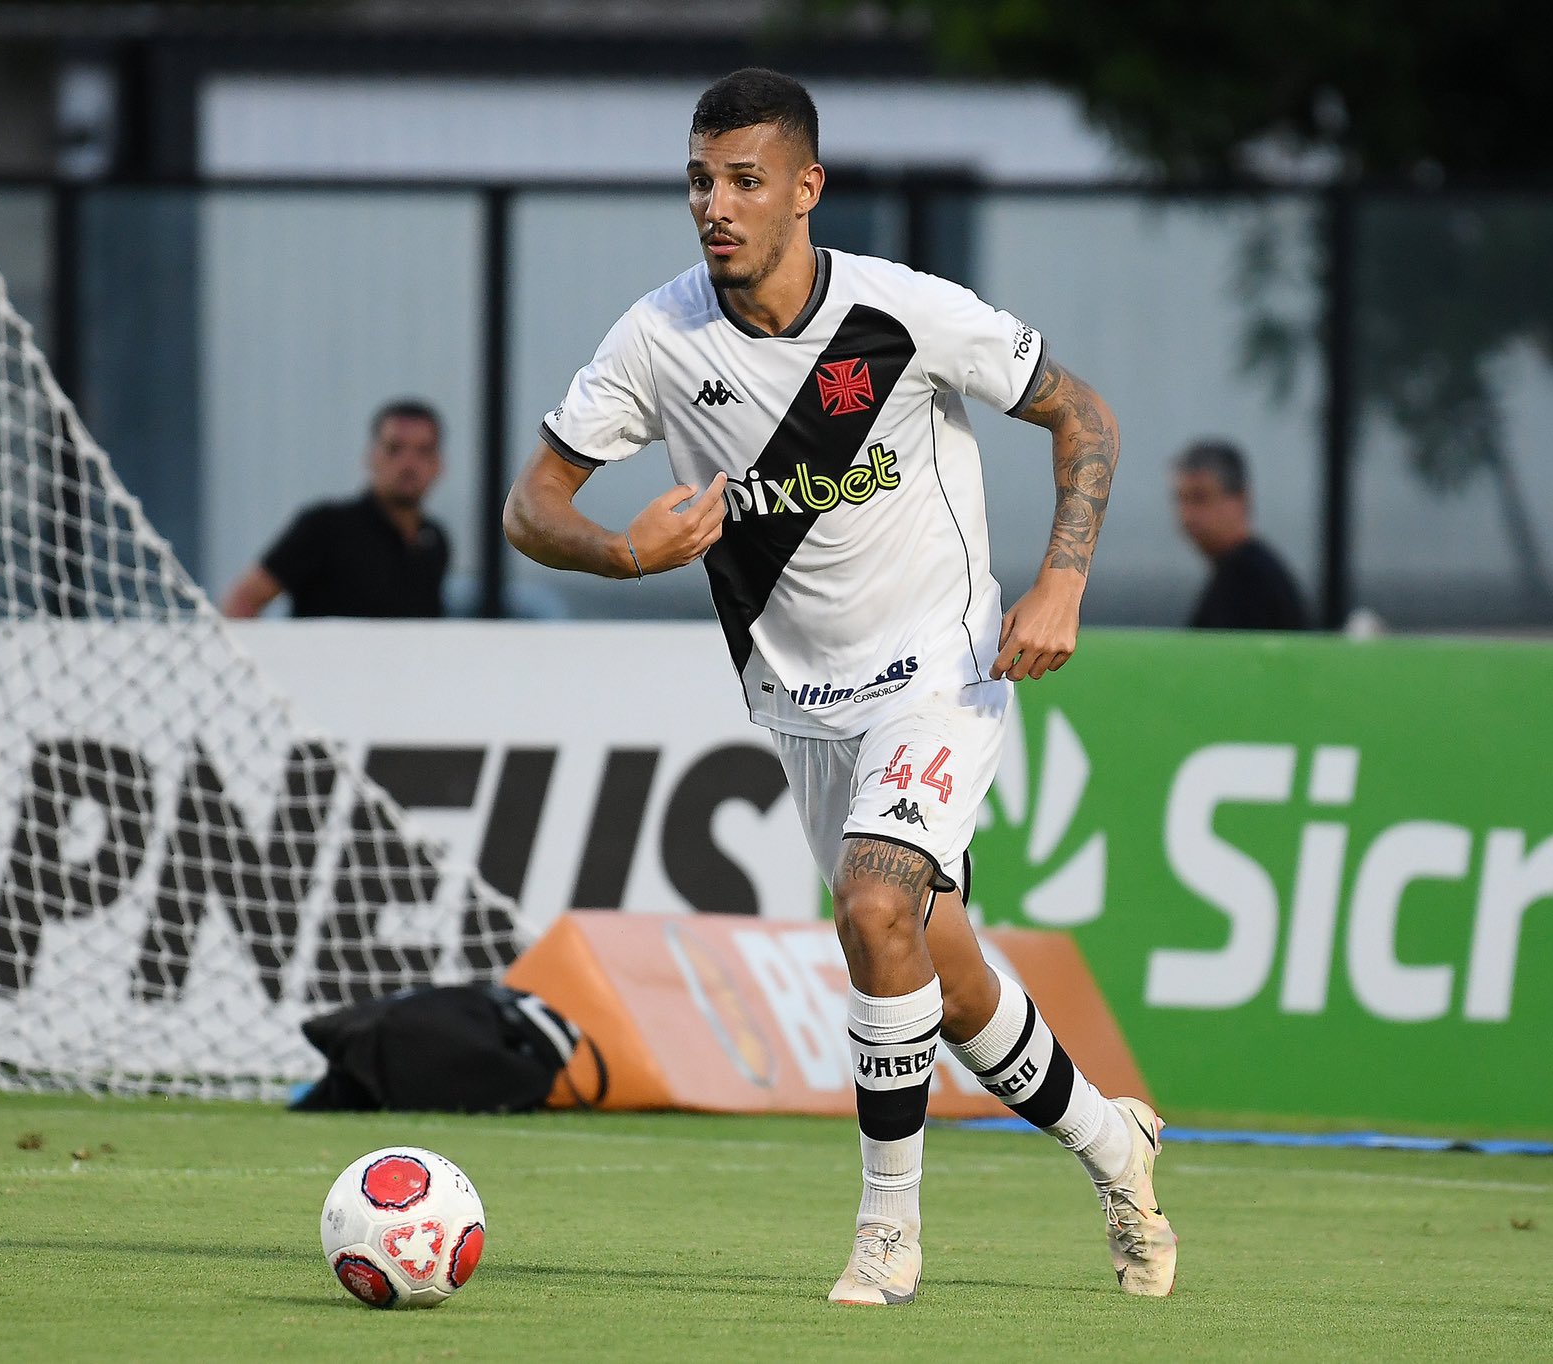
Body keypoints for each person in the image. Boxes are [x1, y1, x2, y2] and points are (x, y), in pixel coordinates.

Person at [502, 69, 1176, 1304]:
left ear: (804, 190)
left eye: (744, 180)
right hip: (799, 709)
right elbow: (529, 505)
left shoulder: (903, 313)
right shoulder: (656, 338)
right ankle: (1106, 1138)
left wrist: (1061, 579)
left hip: (941, 671)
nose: (716, 204)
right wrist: (619, 549)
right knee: (943, 967)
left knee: (872, 911)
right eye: (700, 179)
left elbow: (1081, 412)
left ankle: (886, 1229)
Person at [221, 399, 451, 618]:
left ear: (438, 464)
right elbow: (242, 601)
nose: (409, 464)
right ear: (372, 457)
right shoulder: (326, 527)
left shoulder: (434, 540)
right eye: (394, 449)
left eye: (423, 451)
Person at [1173, 438, 1312, 630]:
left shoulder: (1247, 580)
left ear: (1240, 500)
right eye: (1181, 499)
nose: (1187, 515)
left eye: (1200, 498)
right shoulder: (1243, 571)